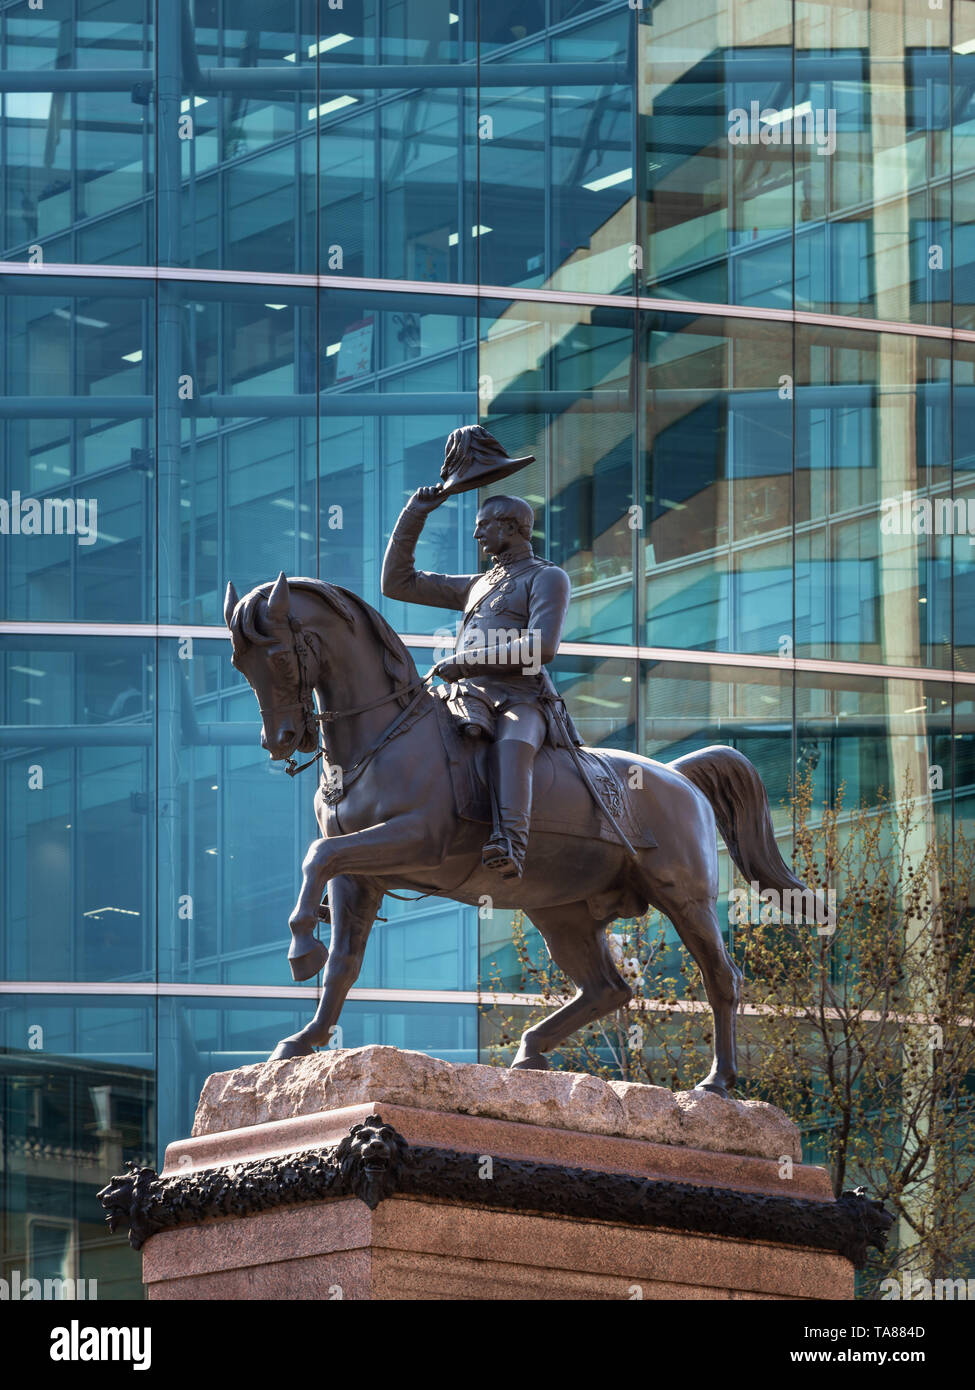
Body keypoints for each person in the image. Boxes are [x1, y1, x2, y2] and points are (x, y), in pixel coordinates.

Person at [381, 455, 580, 880]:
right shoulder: (476, 584)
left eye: (484, 525)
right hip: (467, 697)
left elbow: (541, 646)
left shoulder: (547, 577)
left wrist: (466, 661)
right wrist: (415, 512)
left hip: (522, 697)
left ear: (510, 527)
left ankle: (511, 842)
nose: (476, 533)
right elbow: (396, 583)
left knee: (512, 746)